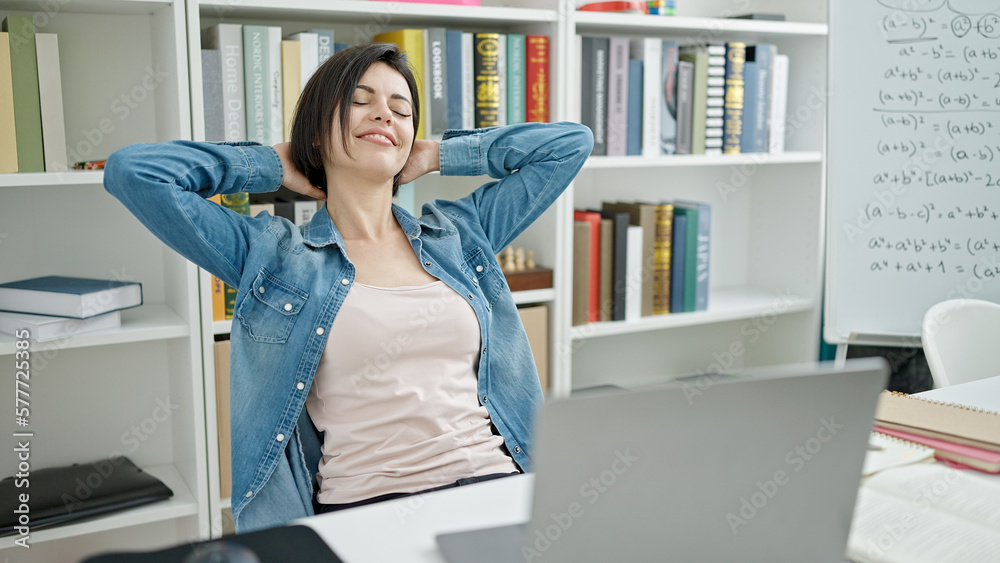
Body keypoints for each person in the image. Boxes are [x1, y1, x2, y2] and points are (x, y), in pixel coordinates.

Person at [104, 42, 593, 533]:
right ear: (317, 135)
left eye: (400, 110)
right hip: (368, 511)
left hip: (496, 487)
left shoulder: (461, 235)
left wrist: (438, 154)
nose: (384, 114)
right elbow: (136, 172)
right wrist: (272, 165)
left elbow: (569, 145)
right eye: (361, 101)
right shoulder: (273, 257)